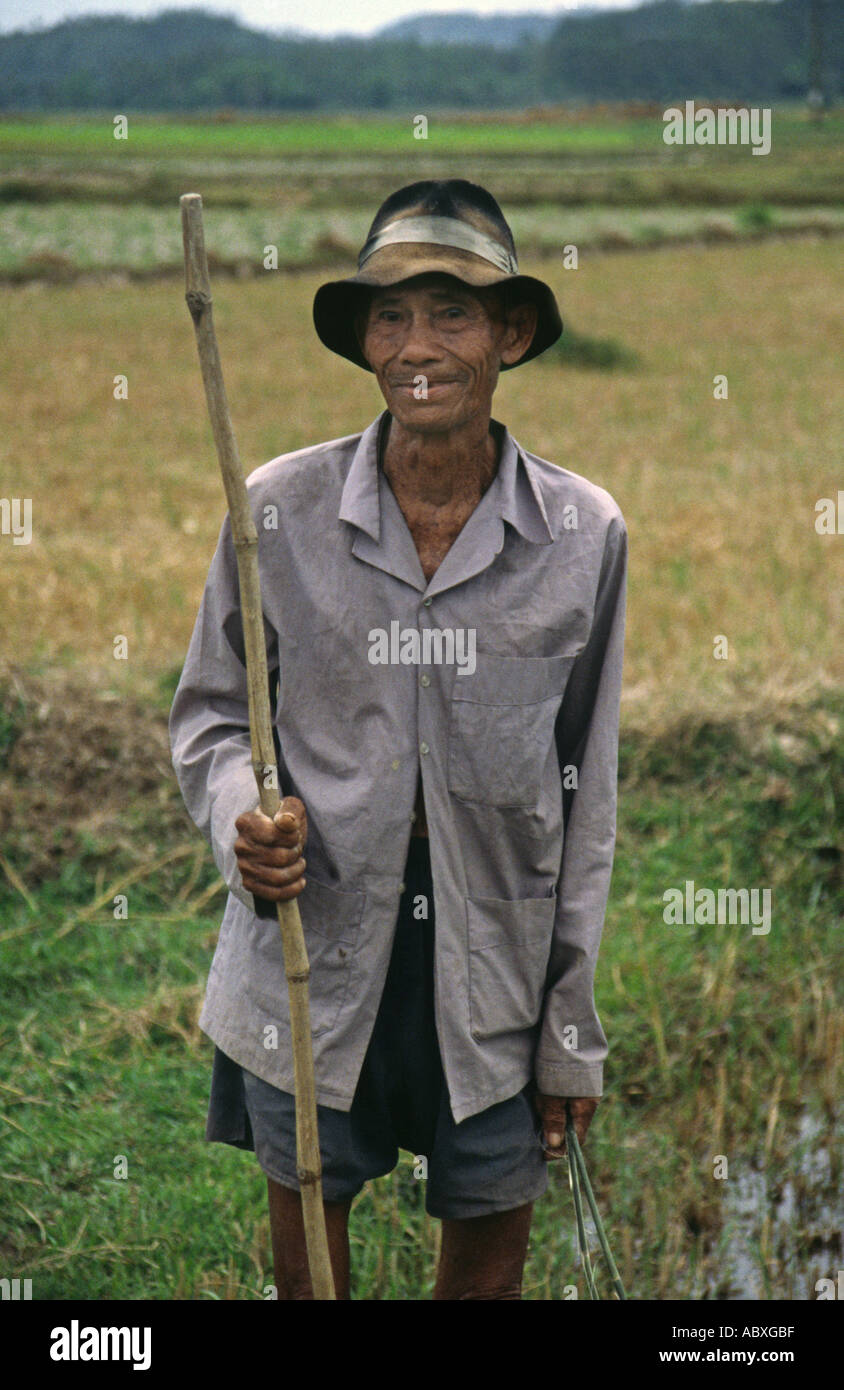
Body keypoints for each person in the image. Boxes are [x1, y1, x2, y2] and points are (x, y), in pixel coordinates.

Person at [169, 179, 628, 1300]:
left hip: (496, 982)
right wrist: (242, 815)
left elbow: (584, 796)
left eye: (453, 312)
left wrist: (567, 1030)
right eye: (389, 315)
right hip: (310, 959)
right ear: (364, 341)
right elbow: (213, 715)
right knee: (307, 1284)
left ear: (511, 335)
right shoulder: (275, 509)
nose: (416, 345)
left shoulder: (582, 536)